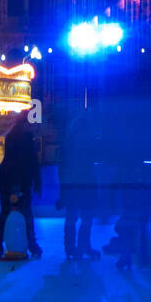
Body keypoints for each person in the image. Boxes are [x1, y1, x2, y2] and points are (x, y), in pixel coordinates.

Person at [0, 110, 42, 260]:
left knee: (6, 211)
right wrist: (35, 181)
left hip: (6, 178)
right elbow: (30, 161)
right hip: (17, 179)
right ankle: (32, 244)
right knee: (26, 212)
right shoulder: (26, 137)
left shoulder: (12, 135)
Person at [58, 109, 99, 259]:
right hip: (85, 186)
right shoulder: (88, 144)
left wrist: (63, 189)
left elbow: (62, 169)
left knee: (72, 218)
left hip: (72, 187)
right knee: (86, 217)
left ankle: (70, 248)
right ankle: (83, 246)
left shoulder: (67, 145)